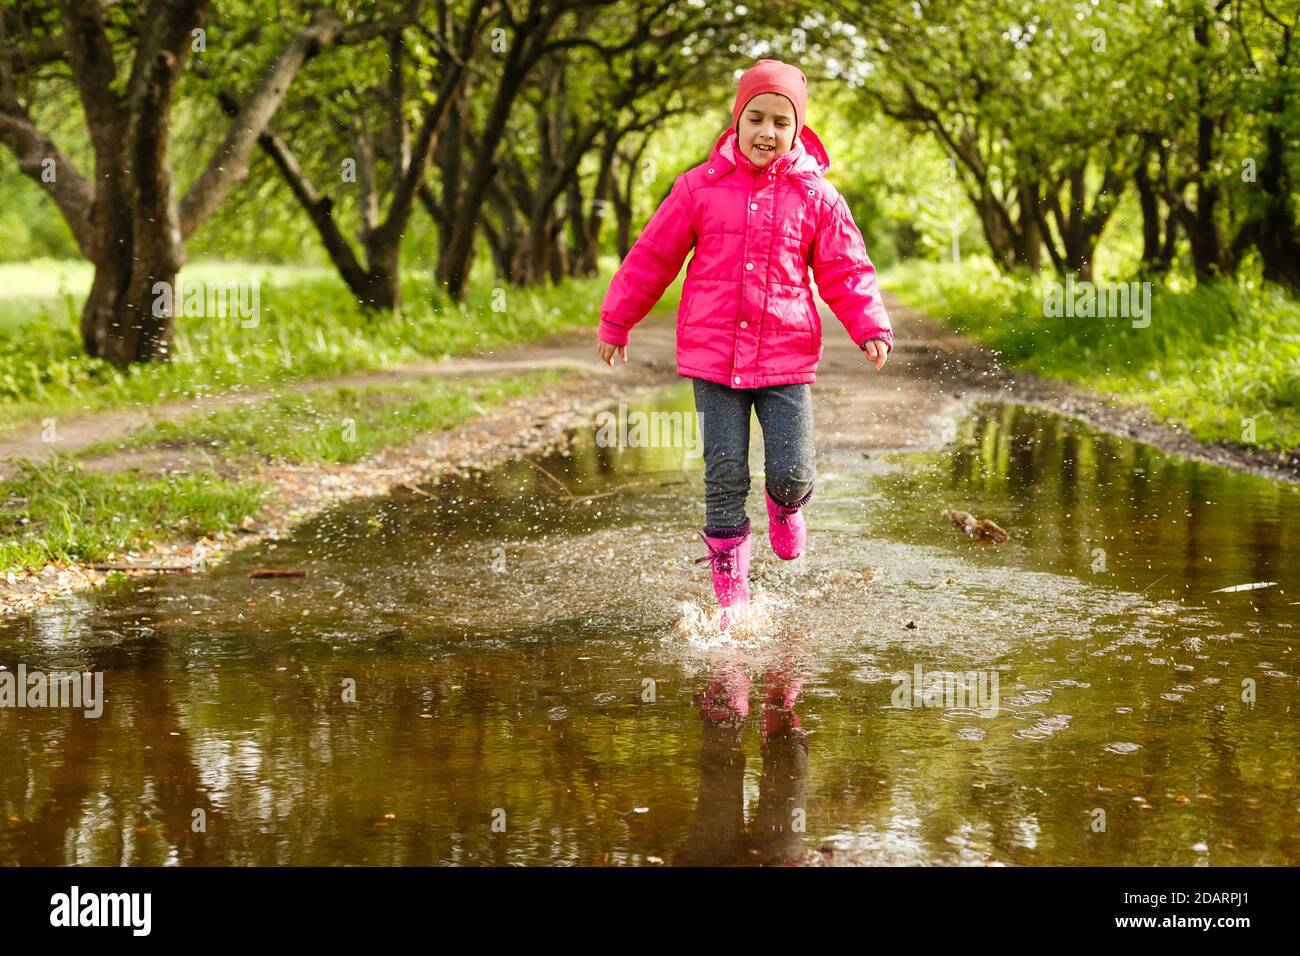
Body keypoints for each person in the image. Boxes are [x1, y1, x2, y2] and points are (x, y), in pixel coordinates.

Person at [596, 58, 893, 626]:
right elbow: (651, 257)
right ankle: (732, 598)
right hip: (713, 360)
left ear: (797, 130)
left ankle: (786, 506)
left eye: (781, 122)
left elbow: (847, 269)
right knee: (724, 474)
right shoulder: (698, 188)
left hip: (785, 358)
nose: (766, 132)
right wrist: (617, 320)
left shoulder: (816, 196)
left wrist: (870, 326)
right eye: (755, 118)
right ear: (736, 122)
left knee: (790, 470)